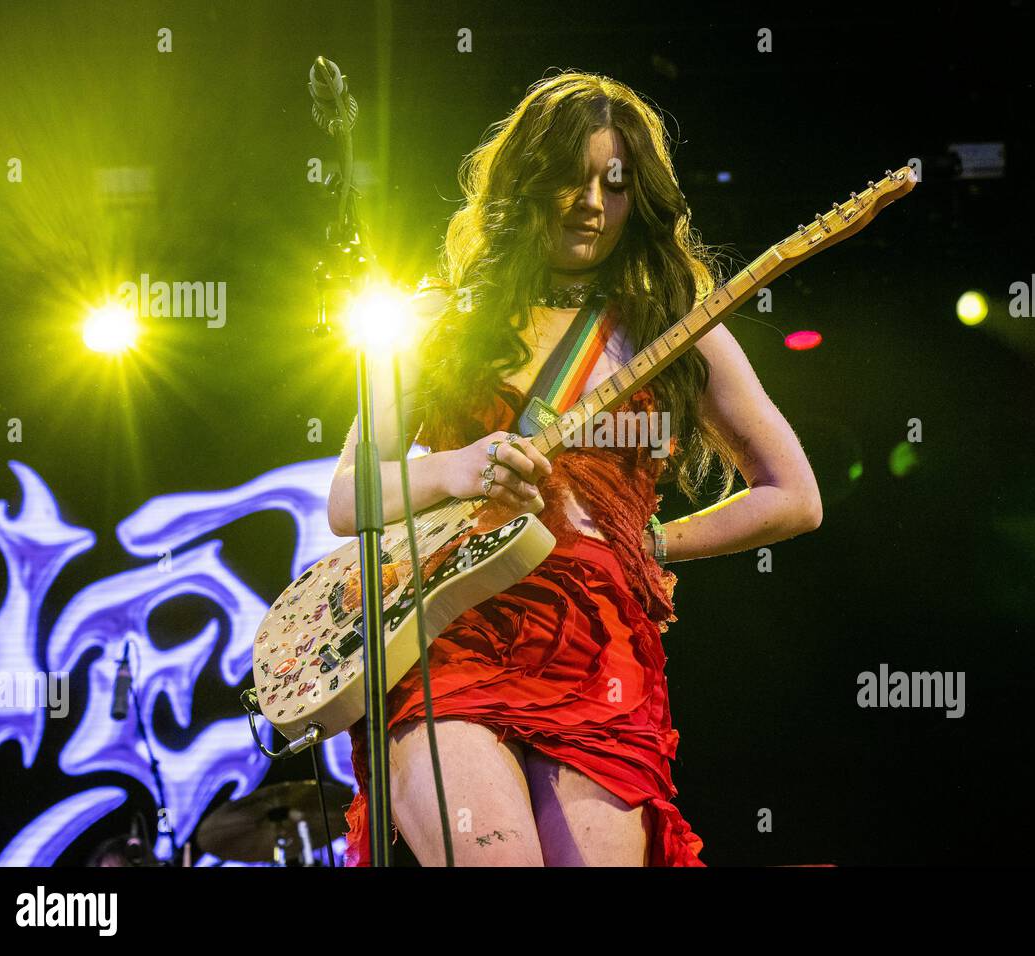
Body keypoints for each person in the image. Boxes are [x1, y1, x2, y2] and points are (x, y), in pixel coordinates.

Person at [327, 71, 822, 866]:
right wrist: (457, 467)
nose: (593, 202)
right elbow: (349, 498)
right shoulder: (434, 324)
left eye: (616, 184)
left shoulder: (676, 330)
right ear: (524, 182)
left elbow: (795, 496)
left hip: (598, 655)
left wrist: (650, 546)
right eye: (571, 178)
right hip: (453, 634)